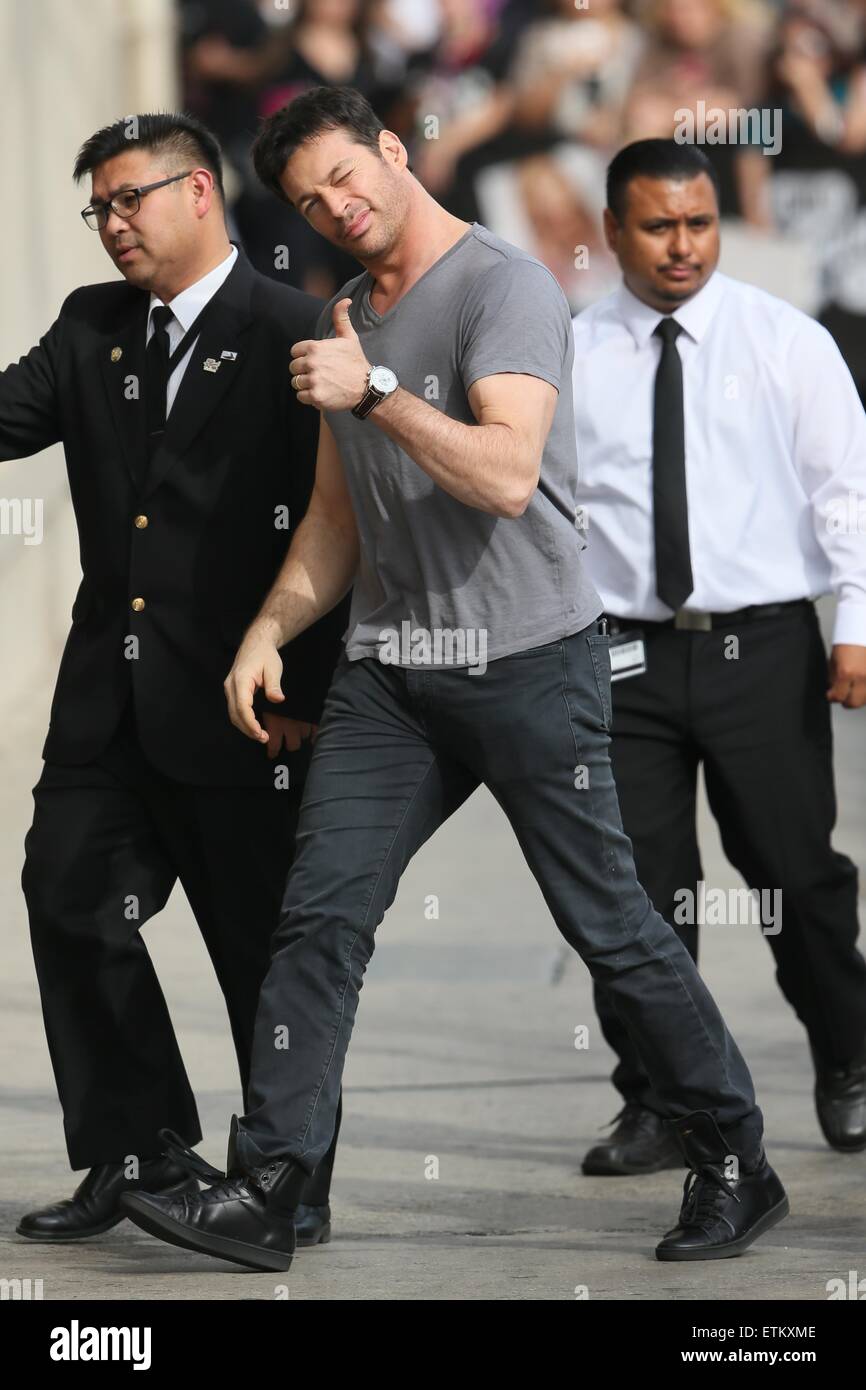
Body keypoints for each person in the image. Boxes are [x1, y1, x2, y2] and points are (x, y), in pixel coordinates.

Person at [121, 86, 787, 1275]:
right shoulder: (339, 313)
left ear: (392, 150)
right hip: (391, 675)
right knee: (318, 917)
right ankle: (274, 1182)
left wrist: (374, 388)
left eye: (348, 174)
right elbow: (335, 520)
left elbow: (505, 472)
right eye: (313, 197)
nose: (338, 204)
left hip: (530, 659)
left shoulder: (504, 287)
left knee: (611, 927)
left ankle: (734, 1155)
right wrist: (267, 628)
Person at [3, 113, 348, 1246]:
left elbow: (340, 530)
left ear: (198, 191)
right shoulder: (91, 325)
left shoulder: (297, 329)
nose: (111, 225)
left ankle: (282, 1184)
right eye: (96, 208)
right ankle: (135, 1149)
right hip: (107, 705)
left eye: (127, 200)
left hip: (249, 706)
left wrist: (305, 686)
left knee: (260, 956)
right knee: (66, 896)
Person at [570, 138, 866, 1178]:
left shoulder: (782, 340)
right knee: (634, 894)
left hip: (759, 648)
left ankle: (847, 1058)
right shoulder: (569, 352)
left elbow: (846, 492)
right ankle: (659, 1101)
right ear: (611, 232)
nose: (681, 245)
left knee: (793, 875)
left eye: (697, 223)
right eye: (656, 226)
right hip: (620, 661)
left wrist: (854, 622)